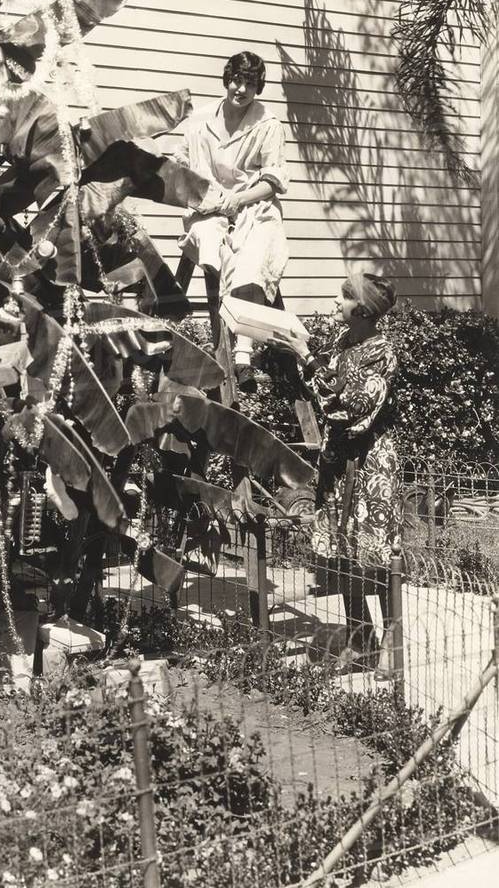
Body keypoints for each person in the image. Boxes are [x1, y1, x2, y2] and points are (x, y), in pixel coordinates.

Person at [279, 271, 400, 677]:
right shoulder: (343, 342)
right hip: (338, 464)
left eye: (343, 298)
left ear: (362, 310)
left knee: (376, 559)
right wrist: (297, 351)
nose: (335, 302)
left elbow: (348, 407)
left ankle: (393, 644)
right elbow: (323, 387)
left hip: (370, 467)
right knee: (343, 556)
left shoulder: (383, 353)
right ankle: (361, 640)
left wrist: (308, 359)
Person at [163, 50, 289, 390]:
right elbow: (179, 162)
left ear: (258, 87)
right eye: (236, 80)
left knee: (251, 259)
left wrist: (239, 199)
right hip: (209, 209)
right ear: (227, 80)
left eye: (250, 83)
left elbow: (273, 180)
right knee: (213, 248)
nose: (241, 89)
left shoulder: (267, 124)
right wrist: (199, 193)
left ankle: (243, 354)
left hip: (253, 206)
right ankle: (224, 342)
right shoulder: (201, 120)